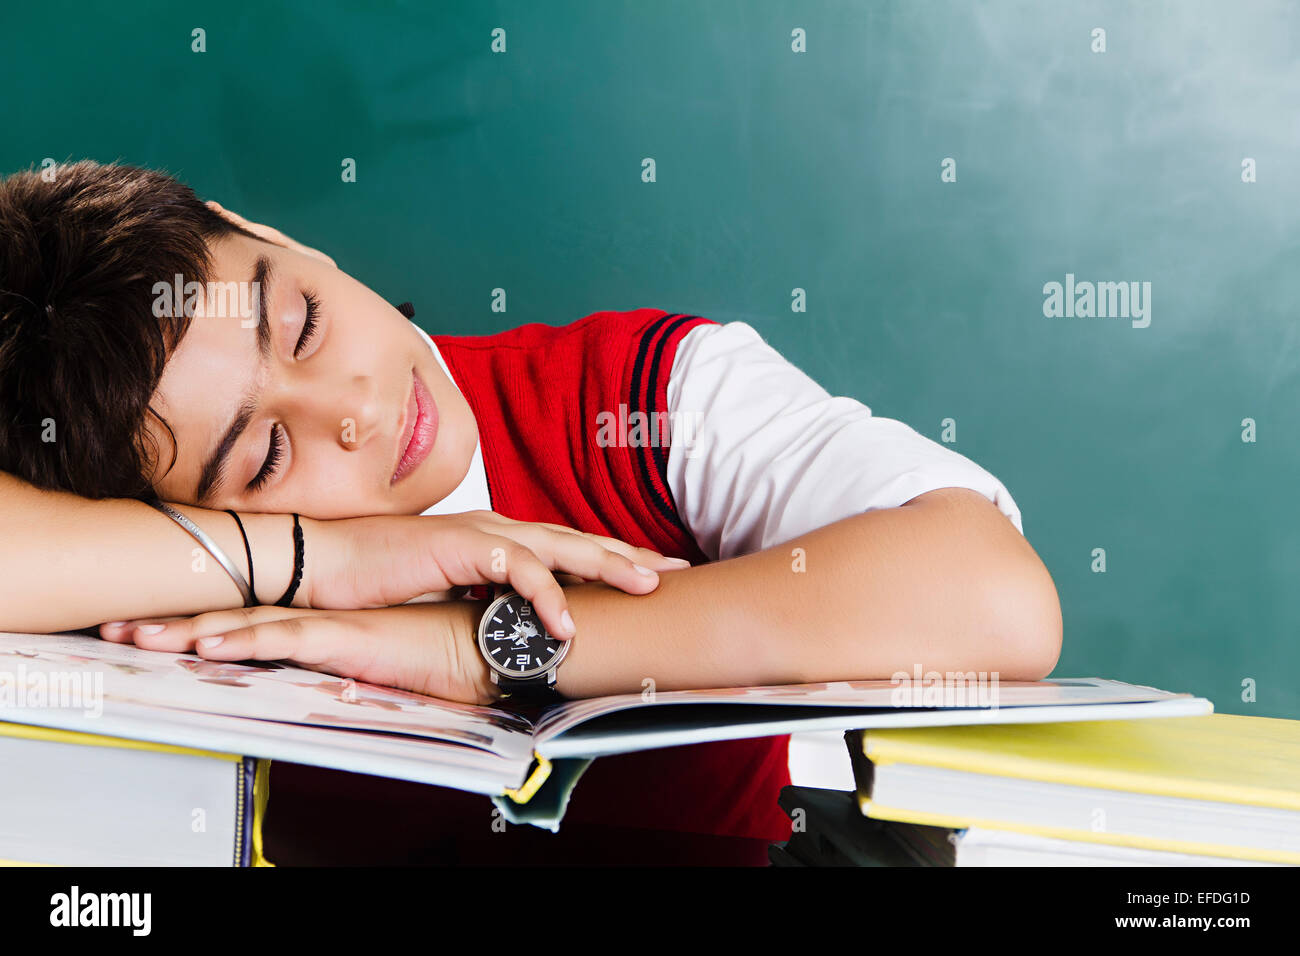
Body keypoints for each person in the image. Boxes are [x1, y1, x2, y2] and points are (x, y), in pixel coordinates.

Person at [0, 160, 1062, 864]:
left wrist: (479, 649)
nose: (357, 412)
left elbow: (994, 599)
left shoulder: (642, 394)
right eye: (268, 451)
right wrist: (302, 561)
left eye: (304, 323)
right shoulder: (147, 564)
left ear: (270, 235)